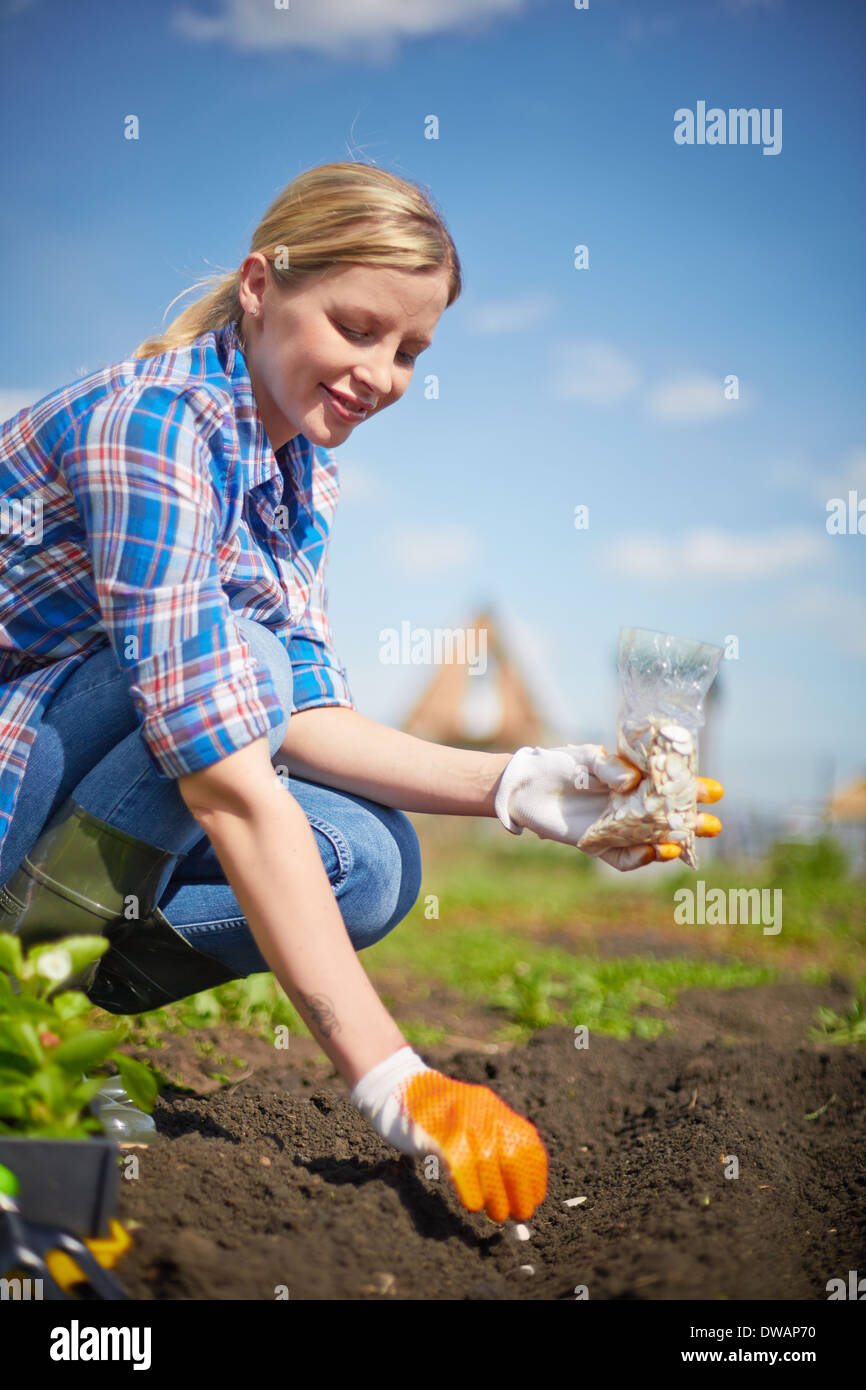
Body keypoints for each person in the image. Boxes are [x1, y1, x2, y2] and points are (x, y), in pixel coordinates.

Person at [0, 161, 722, 1225]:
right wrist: (392, 1078)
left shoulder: (297, 466)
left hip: (66, 781)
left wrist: (521, 785)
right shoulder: (152, 429)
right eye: (356, 327)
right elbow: (227, 770)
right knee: (234, 666)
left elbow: (300, 713)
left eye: (409, 351)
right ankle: (35, 1017)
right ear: (260, 286)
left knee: (372, 862)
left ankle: (46, 979)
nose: (380, 373)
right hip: (21, 763)